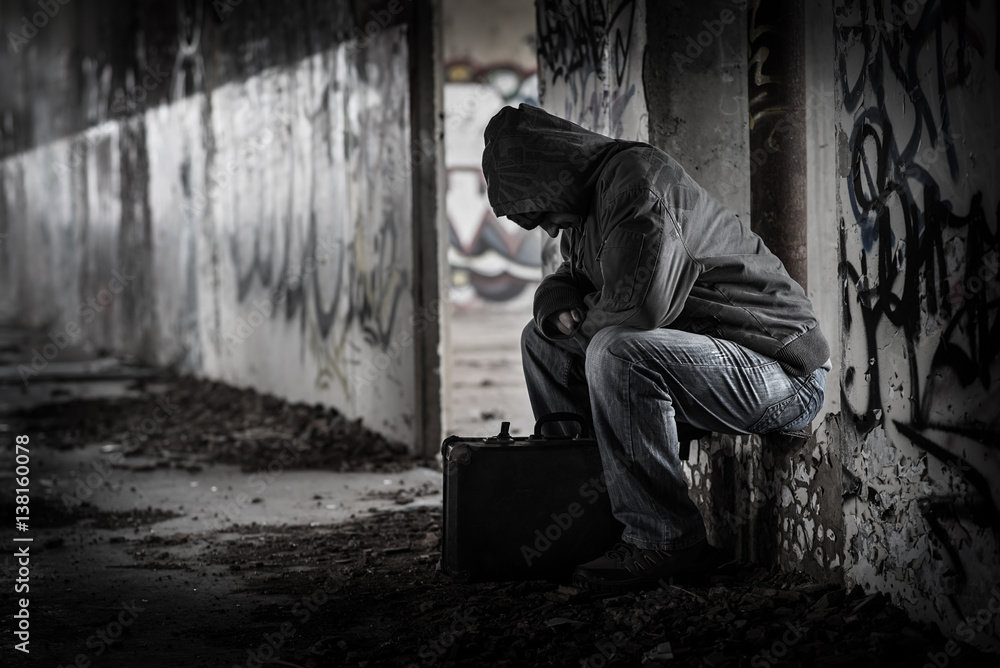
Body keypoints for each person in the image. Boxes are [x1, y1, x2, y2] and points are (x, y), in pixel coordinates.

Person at [481, 104, 831, 593]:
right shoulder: (586, 207)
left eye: (540, 213)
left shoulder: (636, 183)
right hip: (713, 368)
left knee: (615, 351)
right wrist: (557, 303)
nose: (548, 230)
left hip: (782, 372)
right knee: (542, 340)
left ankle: (666, 540)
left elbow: (636, 313)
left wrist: (580, 317)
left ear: (553, 174)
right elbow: (570, 279)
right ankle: (590, 522)